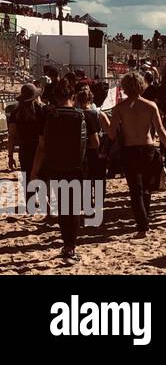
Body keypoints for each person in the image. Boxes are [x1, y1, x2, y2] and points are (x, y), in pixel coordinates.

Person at [28, 79, 102, 262]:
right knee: (74, 208)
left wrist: (34, 172)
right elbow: (95, 143)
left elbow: (42, 147)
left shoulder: (49, 116)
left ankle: (66, 244)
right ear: (73, 96)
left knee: (62, 207)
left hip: (55, 167)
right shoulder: (83, 116)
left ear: (55, 97)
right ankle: (71, 246)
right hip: (77, 168)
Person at [107, 72, 166, 237]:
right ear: (141, 86)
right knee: (146, 188)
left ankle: (142, 225)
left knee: (135, 189)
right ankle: (145, 220)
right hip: (148, 148)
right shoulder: (150, 105)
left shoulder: (119, 108)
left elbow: (111, 134)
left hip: (130, 149)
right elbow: (160, 130)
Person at [7, 83, 43, 183]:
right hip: (40, 151)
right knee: (43, 186)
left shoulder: (16, 113)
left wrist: (10, 156)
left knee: (27, 185)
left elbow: (11, 136)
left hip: (24, 151)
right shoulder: (41, 111)